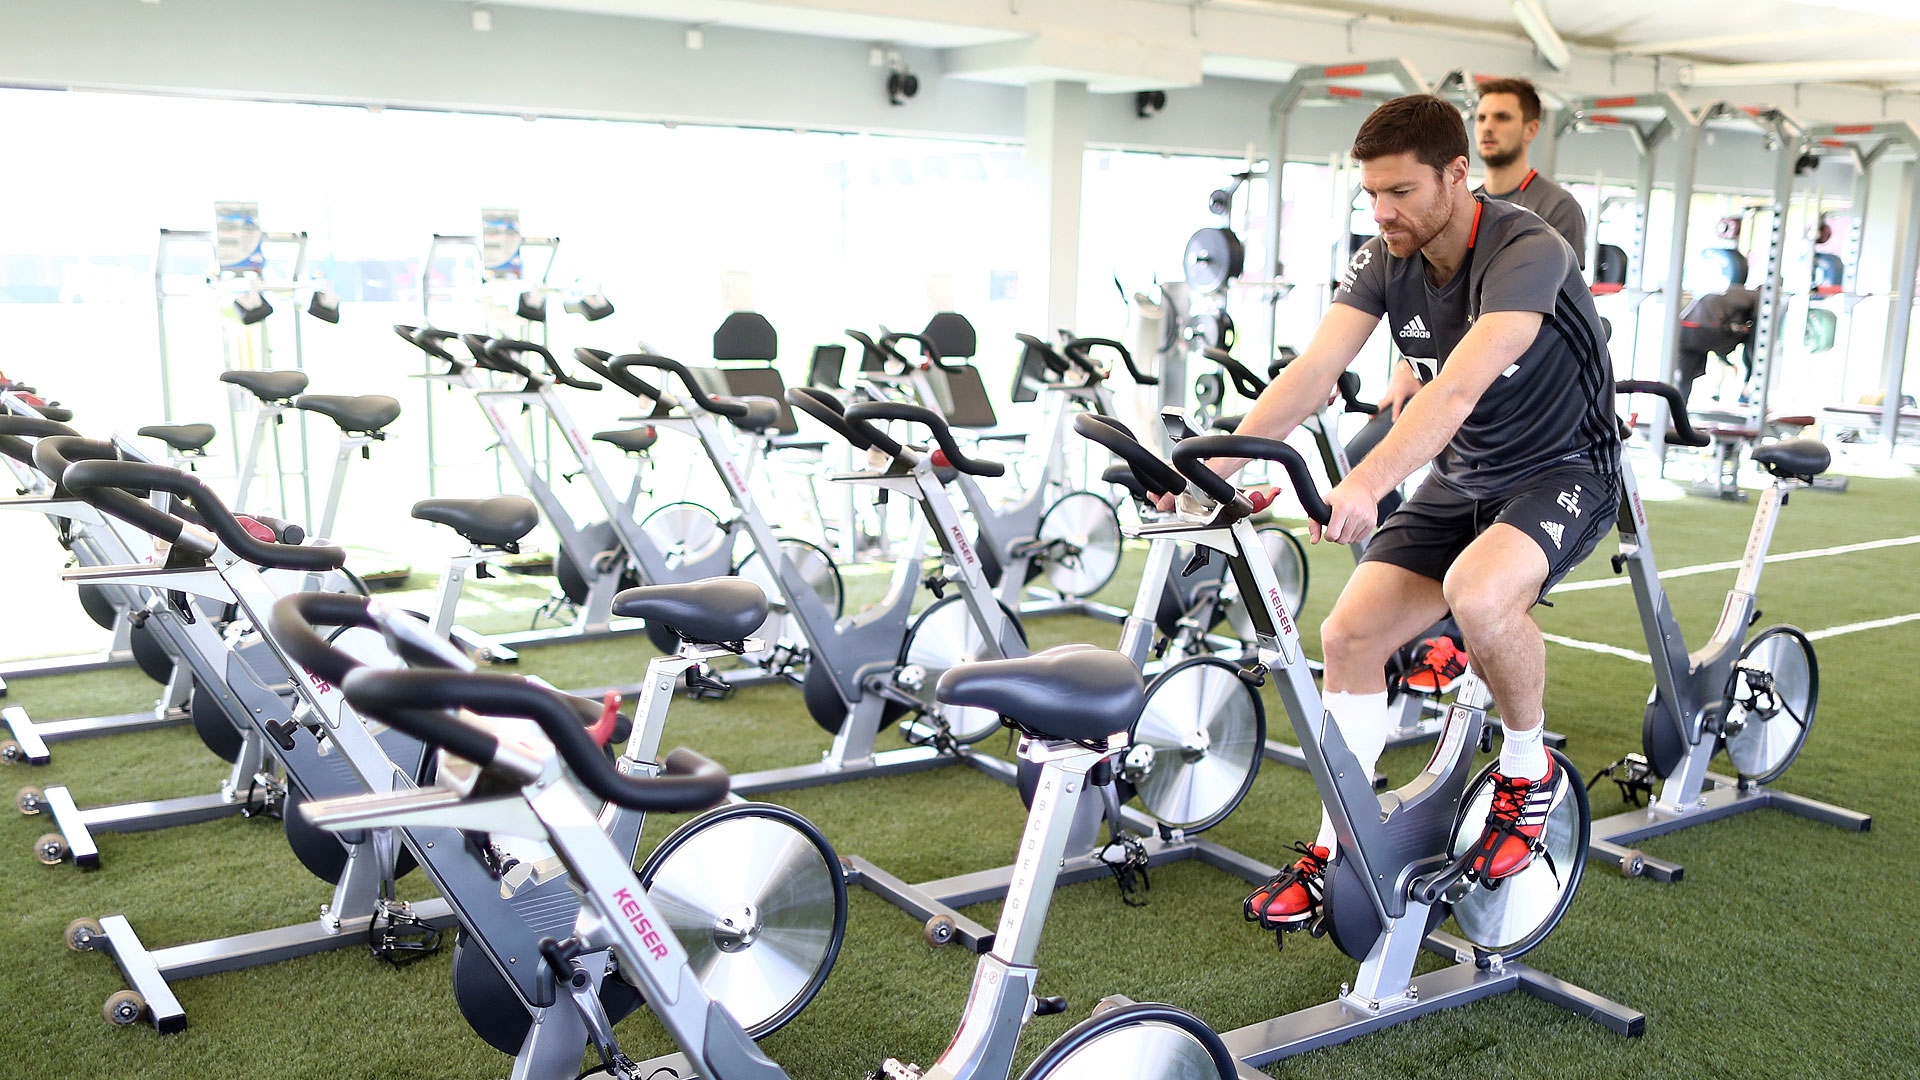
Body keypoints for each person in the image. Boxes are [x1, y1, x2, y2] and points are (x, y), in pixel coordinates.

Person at [1170, 94, 1620, 934]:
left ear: (1458, 175)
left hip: (1565, 470)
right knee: (1349, 635)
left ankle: (1527, 775)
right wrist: (1206, 467)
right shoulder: (1386, 253)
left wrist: (1368, 482)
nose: (1383, 212)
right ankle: (1338, 841)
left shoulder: (1528, 246)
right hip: (1466, 474)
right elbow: (1312, 373)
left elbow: (1455, 387)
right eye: (1371, 194)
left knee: (1480, 595)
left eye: (1402, 192)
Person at [1472, 77, 1587, 266]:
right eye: (1481, 118)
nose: (1487, 127)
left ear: (1531, 130)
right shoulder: (1468, 204)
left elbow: (1564, 289)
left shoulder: (1558, 207)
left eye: (1502, 117)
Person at [1675, 283, 1759, 402]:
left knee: (1684, 381)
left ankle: (1677, 413)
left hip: (1688, 329)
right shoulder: (1753, 297)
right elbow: (1751, 342)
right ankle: (1677, 412)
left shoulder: (1731, 293)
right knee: (1684, 380)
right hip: (1707, 328)